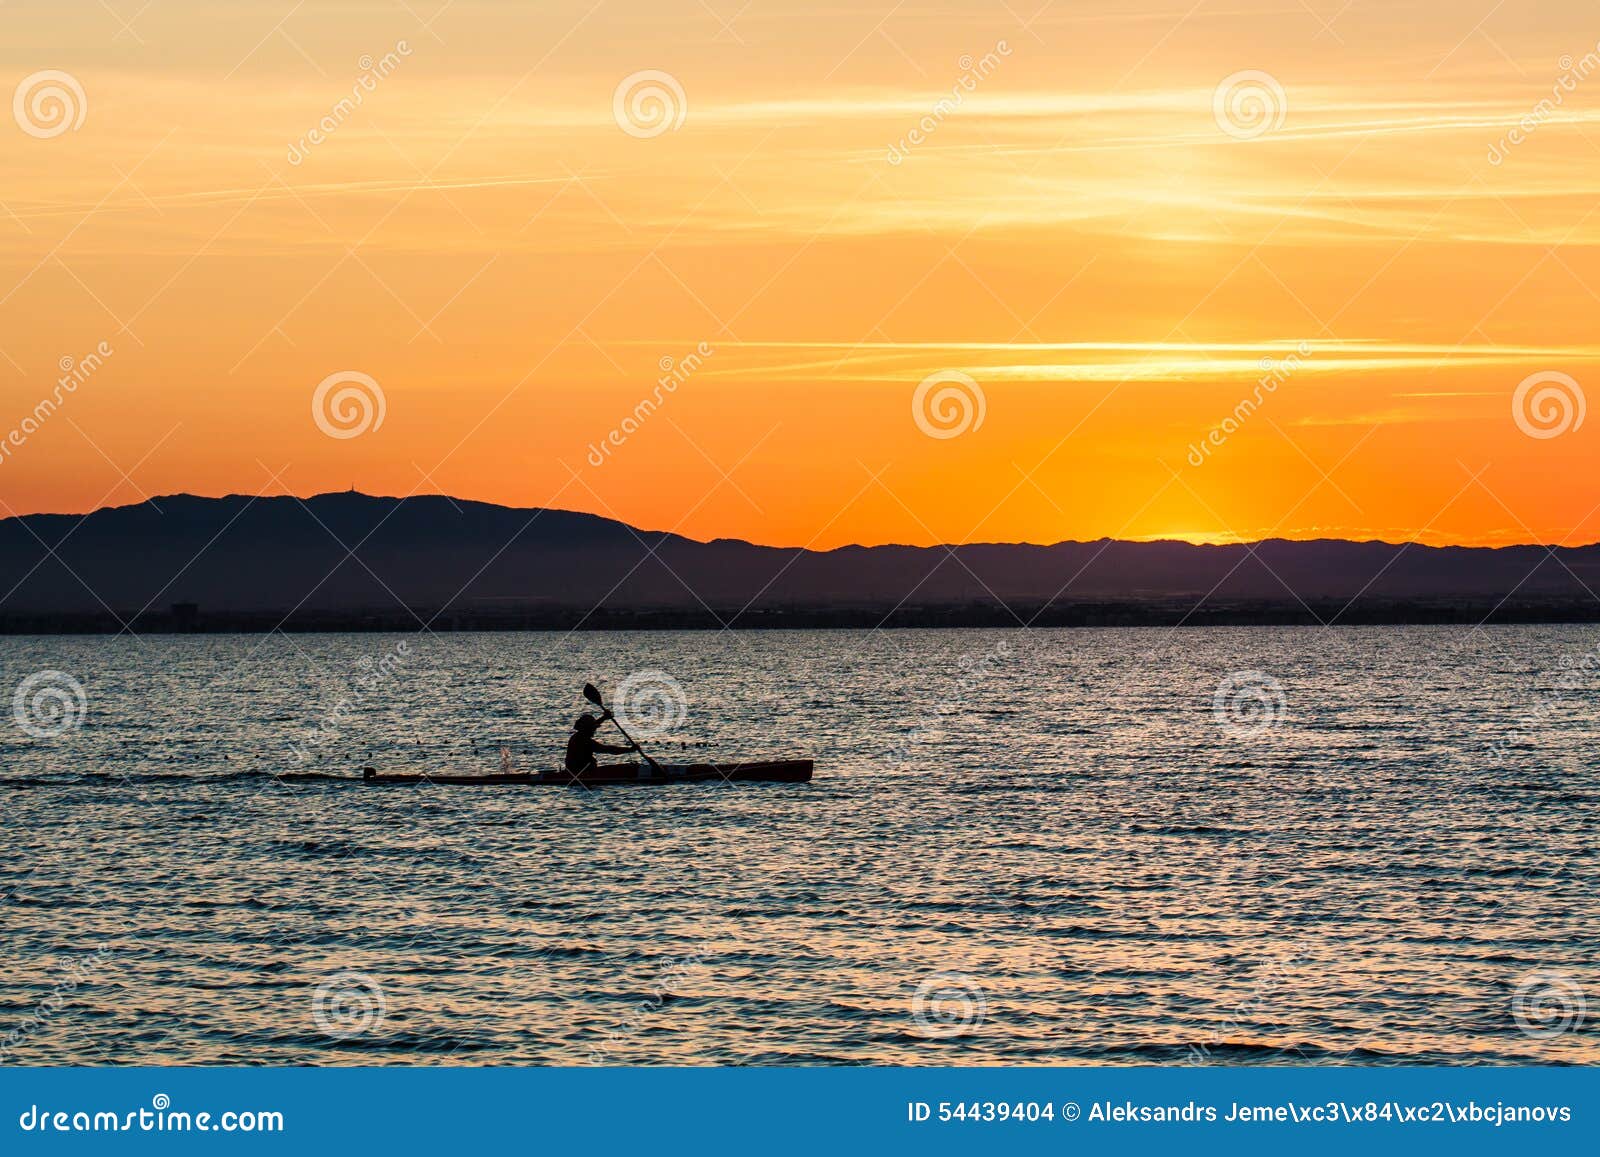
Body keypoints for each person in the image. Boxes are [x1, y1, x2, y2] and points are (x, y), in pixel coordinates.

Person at [564, 712, 637, 773]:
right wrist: (629, 750)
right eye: (593, 729)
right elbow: (608, 749)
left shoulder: (577, 736)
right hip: (581, 772)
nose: (594, 730)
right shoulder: (584, 741)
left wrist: (604, 717)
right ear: (588, 729)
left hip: (579, 770)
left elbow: (591, 726)